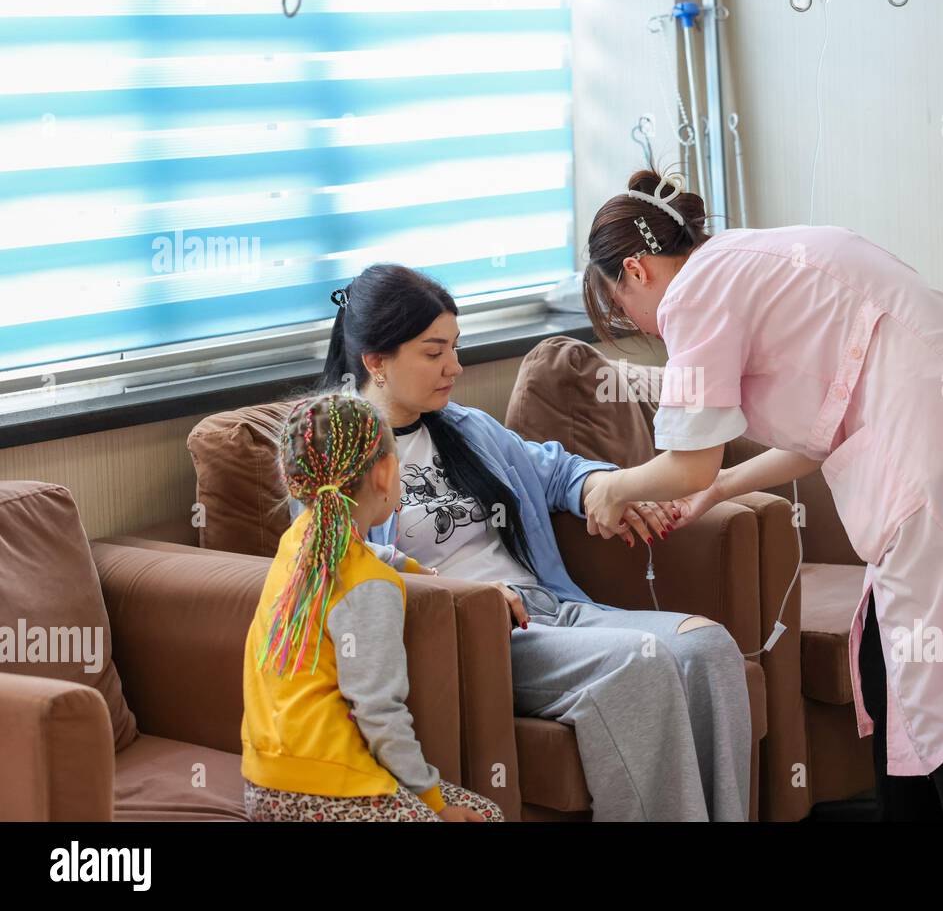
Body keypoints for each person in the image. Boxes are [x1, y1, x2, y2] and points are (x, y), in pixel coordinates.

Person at [579, 169, 943, 821]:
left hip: (931, 452)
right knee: (891, 675)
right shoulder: (756, 258)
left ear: (634, 269)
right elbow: (816, 428)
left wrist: (611, 487)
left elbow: (687, 461)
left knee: (941, 706)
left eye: (619, 307)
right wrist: (717, 490)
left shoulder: (695, 293)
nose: (640, 326)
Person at [302, 263, 752, 821]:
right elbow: (338, 564)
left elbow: (553, 469)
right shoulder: (334, 454)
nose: (455, 367)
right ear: (375, 361)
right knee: (640, 664)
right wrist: (461, 596)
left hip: (551, 609)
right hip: (479, 634)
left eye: (455, 348)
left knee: (709, 647)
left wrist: (601, 487)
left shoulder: (465, 428)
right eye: (434, 352)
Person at [241, 392, 502, 821]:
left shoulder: (298, 544)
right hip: (332, 792)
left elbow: (354, 550)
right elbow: (380, 712)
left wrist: (404, 563)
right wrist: (435, 805)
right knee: (483, 815)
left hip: (264, 783)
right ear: (384, 473)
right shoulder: (370, 586)